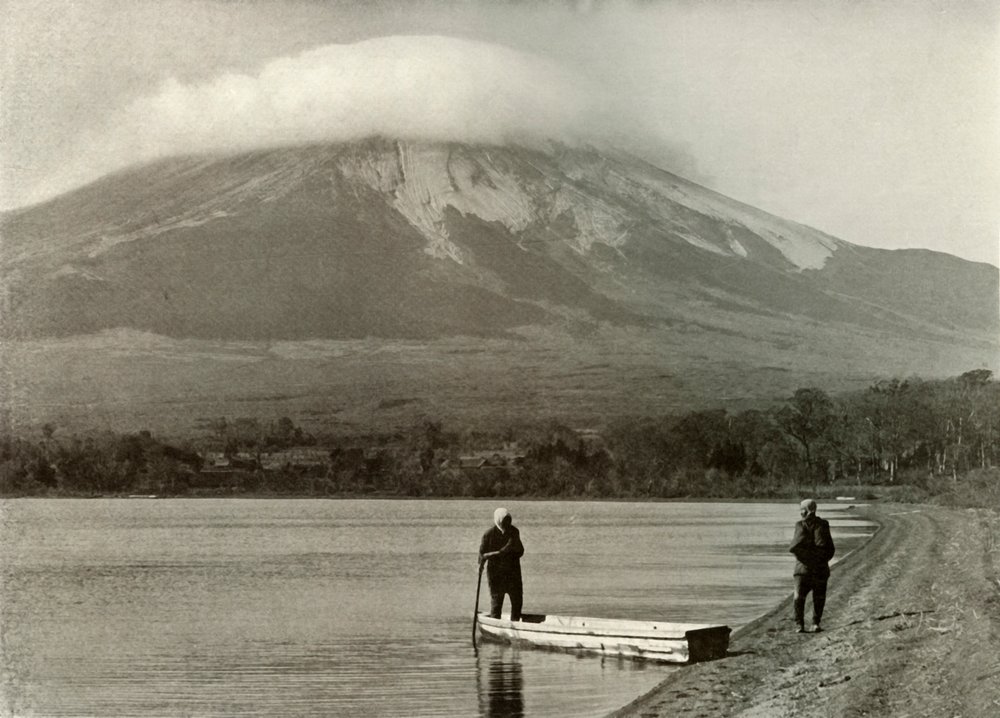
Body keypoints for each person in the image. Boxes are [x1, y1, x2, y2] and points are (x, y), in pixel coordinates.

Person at [789, 498, 835, 633]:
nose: (800, 512)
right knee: (818, 597)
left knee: (799, 597)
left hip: (803, 569)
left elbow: (794, 547)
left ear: (806, 511)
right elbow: (830, 549)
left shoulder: (800, 525)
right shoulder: (824, 524)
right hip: (820, 568)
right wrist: (821, 561)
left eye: (801, 510)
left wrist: (807, 560)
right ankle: (815, 623)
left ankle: (800, 625)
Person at [479, 507, 524, 621]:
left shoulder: (514, 532)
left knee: (517, 600)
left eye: (509, 521)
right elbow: (481, 554)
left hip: (512, 572)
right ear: (498, 520)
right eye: (505, 521)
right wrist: (481, 565)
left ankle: (515, 622)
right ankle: (495, 622)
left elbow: (509, 549)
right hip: (496, 574)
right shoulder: (489, 534)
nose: (507, 524)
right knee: (497, 601)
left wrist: (491, 555)